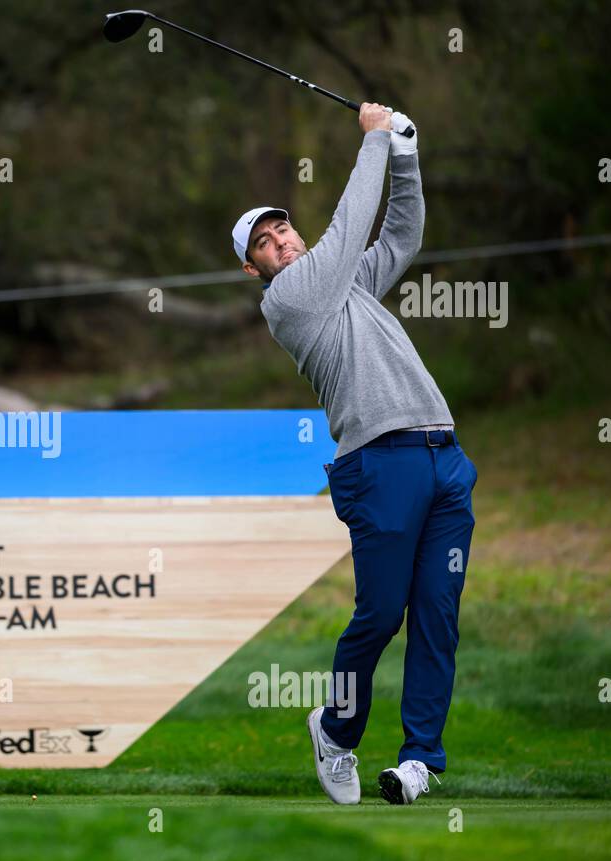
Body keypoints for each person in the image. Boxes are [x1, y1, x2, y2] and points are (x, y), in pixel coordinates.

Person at [231, 104, 477, 805]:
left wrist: (406, 157)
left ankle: (420, 759)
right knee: (379, 616)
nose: (282, 243)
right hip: (379, 464)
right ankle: (336, 732)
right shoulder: (292, 301)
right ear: (257, 272)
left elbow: (401, 231)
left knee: (437, 613)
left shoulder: (349, 288)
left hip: (443, 456)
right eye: (267, 245)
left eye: (283, 231)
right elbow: (349, 230)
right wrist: (373, 138)